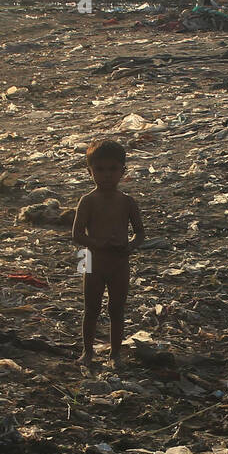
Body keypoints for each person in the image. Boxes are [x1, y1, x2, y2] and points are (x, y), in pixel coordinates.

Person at [72, 140, 143, 366]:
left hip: (119, 263)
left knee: (116, 309)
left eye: (113, 169)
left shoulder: (127, 202)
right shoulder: (87, 201)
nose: (107, 175)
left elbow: (140, 233)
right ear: (89, 171)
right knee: (91, 308)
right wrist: (98, 243)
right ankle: (88, 352)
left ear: (123, 171)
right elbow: (77, 234)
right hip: (92, 261)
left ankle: (115, 354)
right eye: (100, 169)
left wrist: (129, 246)